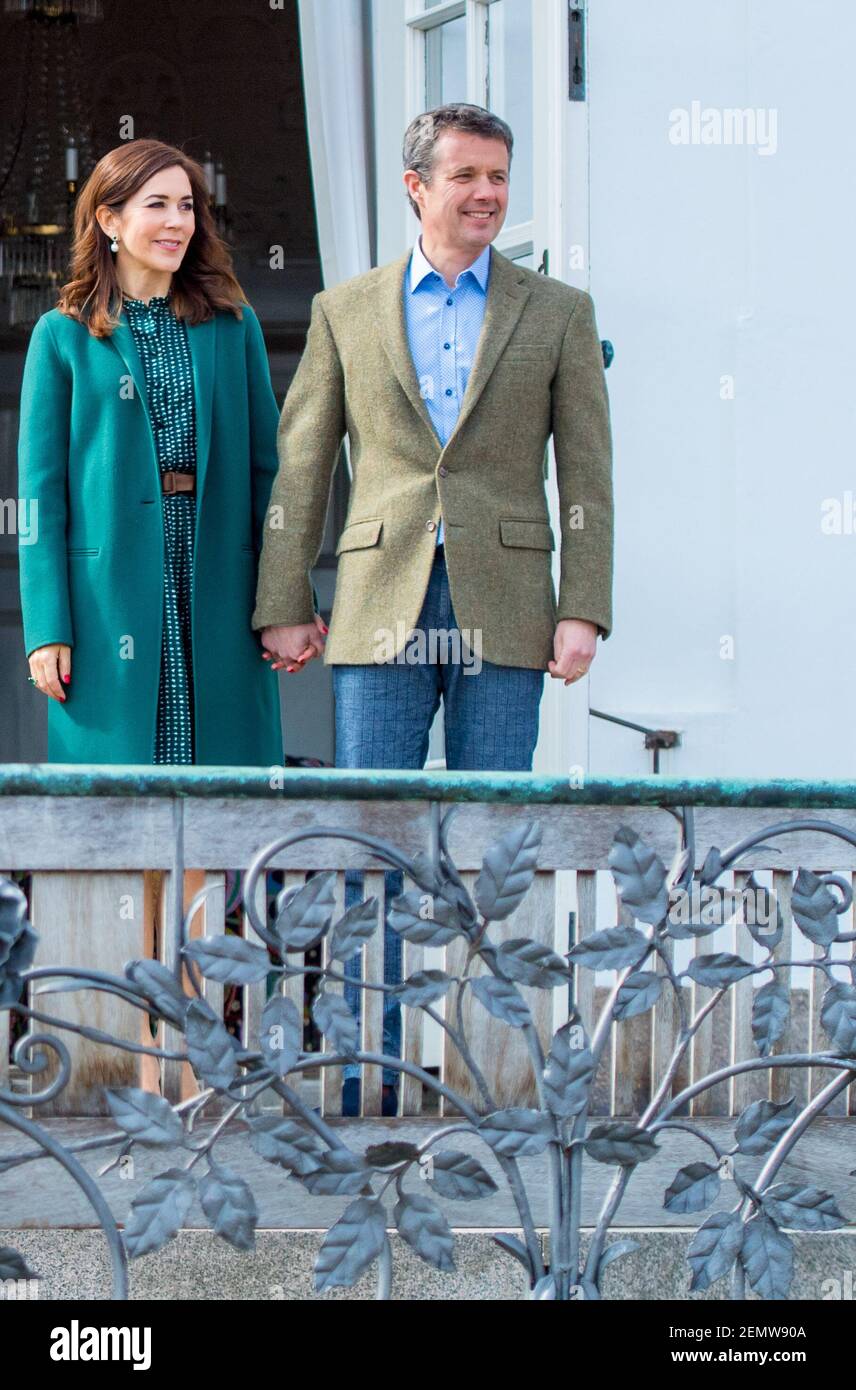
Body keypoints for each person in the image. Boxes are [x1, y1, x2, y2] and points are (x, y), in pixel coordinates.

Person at [252, 103, 615, 1113]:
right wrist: (284, 599)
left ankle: (486, 1073)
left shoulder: (558, 313)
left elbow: (588, 471)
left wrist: (584, 604)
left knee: (493, 847)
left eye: (498, 175)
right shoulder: (347, 309)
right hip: (379, 600)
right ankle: (366, 1071)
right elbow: (303, 463)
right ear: (417, 186)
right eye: (465, 175)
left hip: (509, 602)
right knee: (372, 839)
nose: (487, 193)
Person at [18, 137, 309, 765]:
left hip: (220, 580)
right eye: (158, 205)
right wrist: (46, 629)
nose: (178, 221)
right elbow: (39, 498)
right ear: (109, 219)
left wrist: (286, 601)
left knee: (220, 790)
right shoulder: (62, 335)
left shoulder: (234, 327)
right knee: (111, 803)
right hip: (105, 596)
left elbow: (271, 474)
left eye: (187, 206)